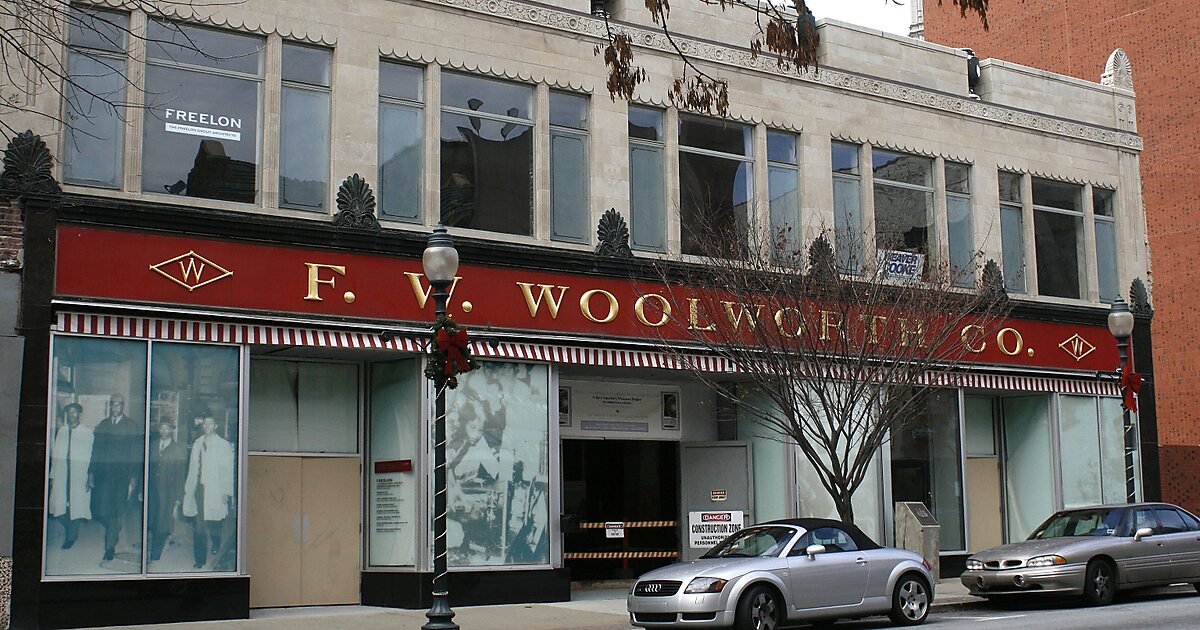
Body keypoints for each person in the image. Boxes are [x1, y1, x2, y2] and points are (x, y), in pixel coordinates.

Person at [89, 394, 143, 562]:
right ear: (110, 406)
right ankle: (115, 530)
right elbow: (95, 451)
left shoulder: (131, 426)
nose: (115, 407)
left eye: (118, 405)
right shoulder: (103, 425)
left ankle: (109, 546)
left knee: (116, 510)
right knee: (102, 511)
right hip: (103, 476)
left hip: (122, 476)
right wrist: (91, 473)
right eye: (112, 404)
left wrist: (134, 477)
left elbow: (135, 454)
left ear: (123, 406)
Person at [182, 416, 234, 570]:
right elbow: (192, 468)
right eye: (205, 423)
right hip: (199, 488)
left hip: (215, 489)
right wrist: (188, 489)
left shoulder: (223, 445)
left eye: (210, 423)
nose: (207, 426)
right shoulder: (197, 443)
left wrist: (226, 492)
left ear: (215, 426)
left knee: (215, 522)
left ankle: (216, 542)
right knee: (199, 525)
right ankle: (200, 559)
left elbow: (227, 470)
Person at [48, 403, 93, 549]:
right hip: (62, 473)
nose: (73, 414)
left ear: (79, 414)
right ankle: (71, 529)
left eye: (75, 412)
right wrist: (52, 475)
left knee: (76, 505)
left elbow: (91, 456)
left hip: (79, 474)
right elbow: (56, 454)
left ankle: (71, 537)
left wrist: (89, 477)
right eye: (70, 412)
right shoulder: (61, 431)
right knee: (59, 506)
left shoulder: (86, 432)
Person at [147, 418, 187, 562]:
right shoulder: (151, 445)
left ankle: (155, 555)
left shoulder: (178, 449)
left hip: (168, 493)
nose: (164, 431)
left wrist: (178, 498)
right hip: (152, 492)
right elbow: (146, 469)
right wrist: (141, 489)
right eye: (161, 428)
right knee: (151, 522)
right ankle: (160, 542)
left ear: (172, 430)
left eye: (167, 428)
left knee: (162, 523)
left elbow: (180, 475)